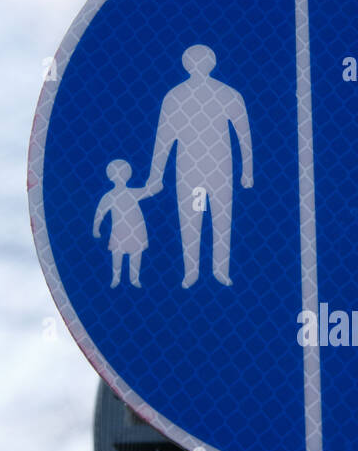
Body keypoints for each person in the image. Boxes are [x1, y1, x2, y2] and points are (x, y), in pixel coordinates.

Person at [142, 45, 253, 287]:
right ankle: (192, 271)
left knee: (217, 217)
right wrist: (156, 175)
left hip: (218, 166)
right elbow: (164, 138)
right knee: (197, 218)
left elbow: (243, 134)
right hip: (192, 167)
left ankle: (217, 270)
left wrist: (248, 171)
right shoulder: (176, 97)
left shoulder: (226, 94)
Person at [93, 159, 150, 287]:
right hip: (120, 229)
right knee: (117, 253)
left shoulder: (131, 193)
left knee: (135, 253)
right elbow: (100, 212)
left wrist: (155, 182)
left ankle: (134, 279)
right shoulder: (110, 196)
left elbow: (148, 191)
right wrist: (96, 228)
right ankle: (116, 279)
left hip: (135, 229)